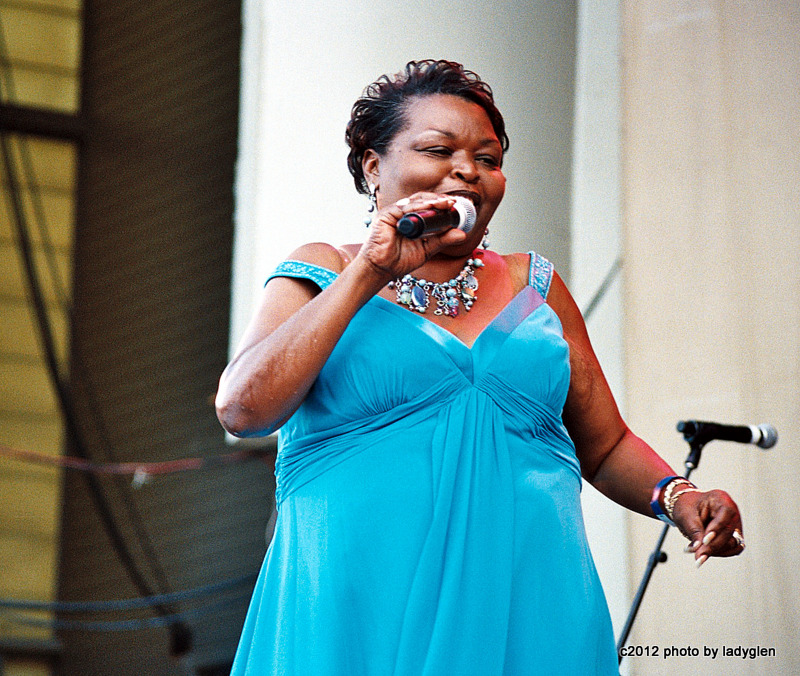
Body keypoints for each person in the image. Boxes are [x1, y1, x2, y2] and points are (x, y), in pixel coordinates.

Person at [216, 60, 744, 675]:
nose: (469, 171)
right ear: (372, 166)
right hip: (361, 601)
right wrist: (370, 274)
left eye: (488, 159)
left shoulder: (535, 287)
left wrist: (678, 497)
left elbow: (604, 447)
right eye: (439, 149)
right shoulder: (322, 272)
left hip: (530, 593)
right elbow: (242, 409)